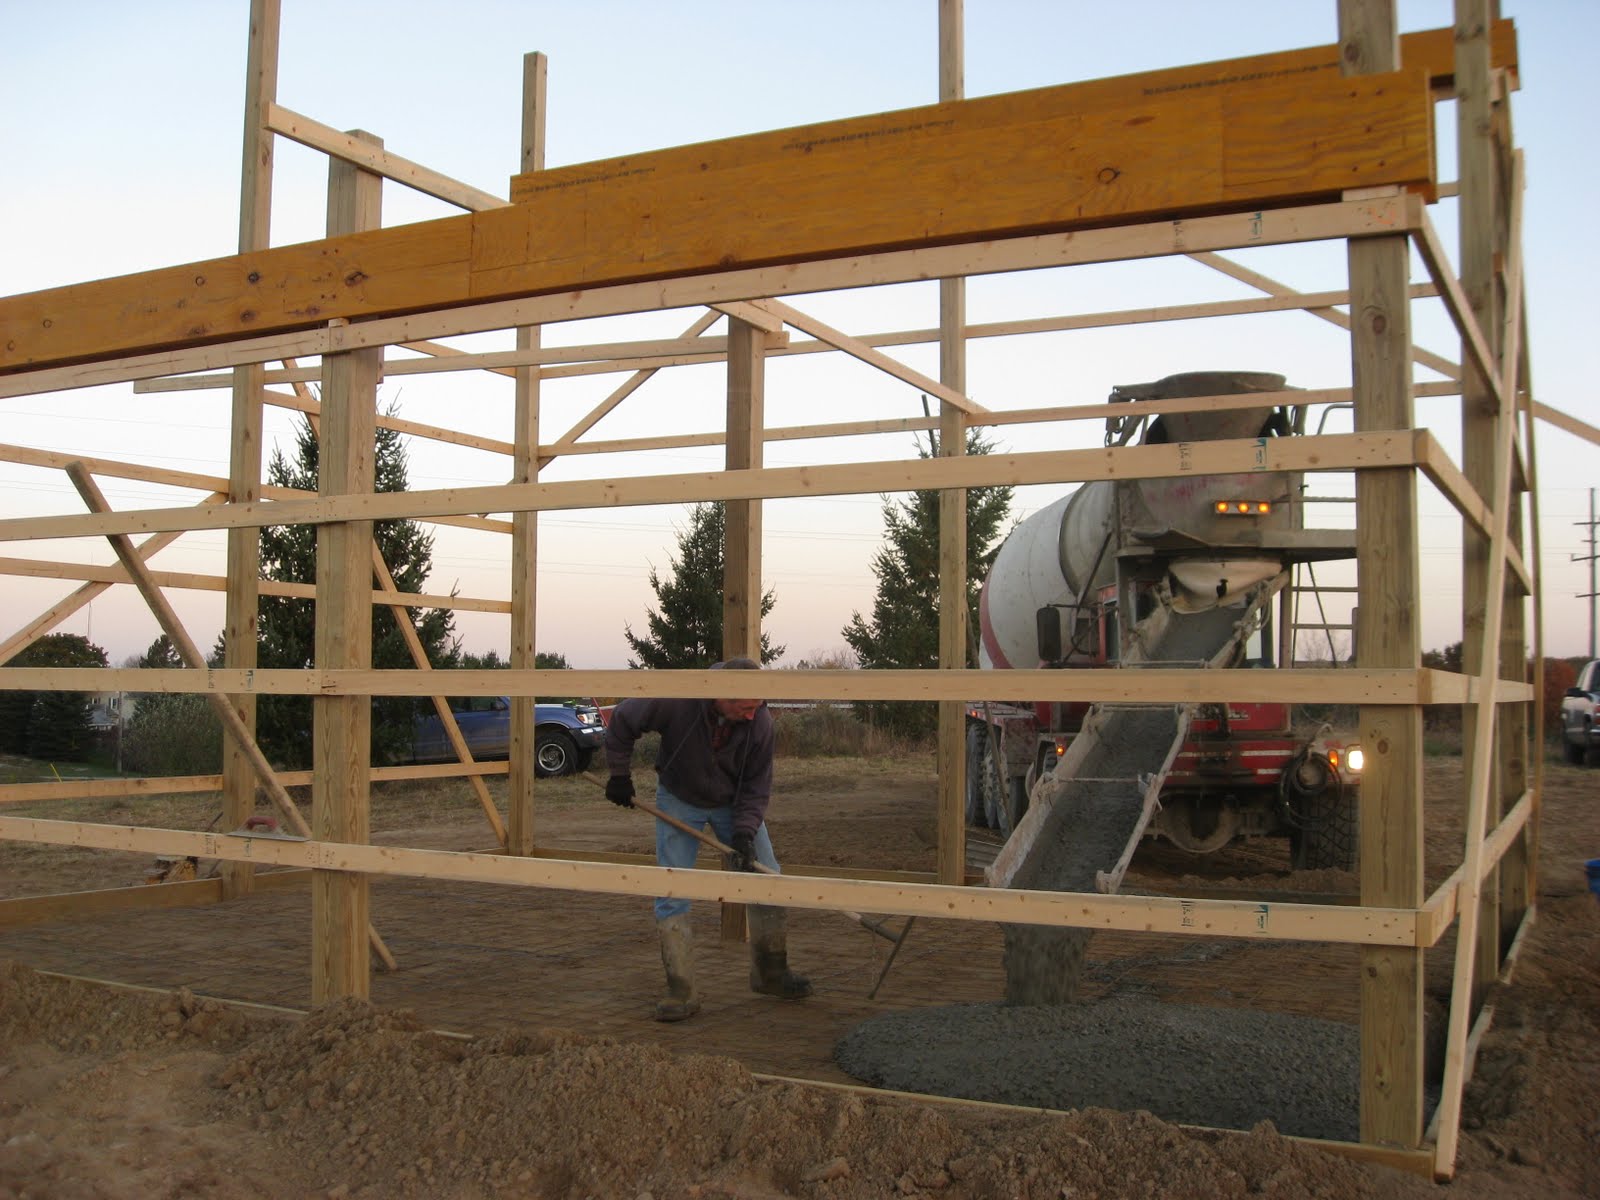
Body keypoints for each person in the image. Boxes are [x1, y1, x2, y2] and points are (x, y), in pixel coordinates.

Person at [603, 658, 812, 1022]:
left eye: (756, 707)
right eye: (745, 707)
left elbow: (756, 786)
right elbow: (622, 721)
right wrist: (619, 776)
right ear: (720, 695)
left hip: (733, 802)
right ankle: (681, 989)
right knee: (672, 886)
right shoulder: (677, 699)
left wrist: (745, 832)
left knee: (768, 876)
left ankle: (771, 974)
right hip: (680, 797)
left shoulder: (760, 722)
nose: (752, 715)